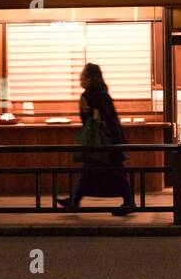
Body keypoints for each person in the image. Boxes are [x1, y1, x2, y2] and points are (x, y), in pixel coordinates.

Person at [57, 63, 136, 216]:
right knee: (110, 171)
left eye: (83, 76)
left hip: (99, 140)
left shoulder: (88, 95)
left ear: (90, 78)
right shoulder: (103, 93)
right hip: (112, 138)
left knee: (95, 170)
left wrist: (88, 111)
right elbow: (110, 117)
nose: (80, 79)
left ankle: (76, 201)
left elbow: (87, 120)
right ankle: (76, 200)